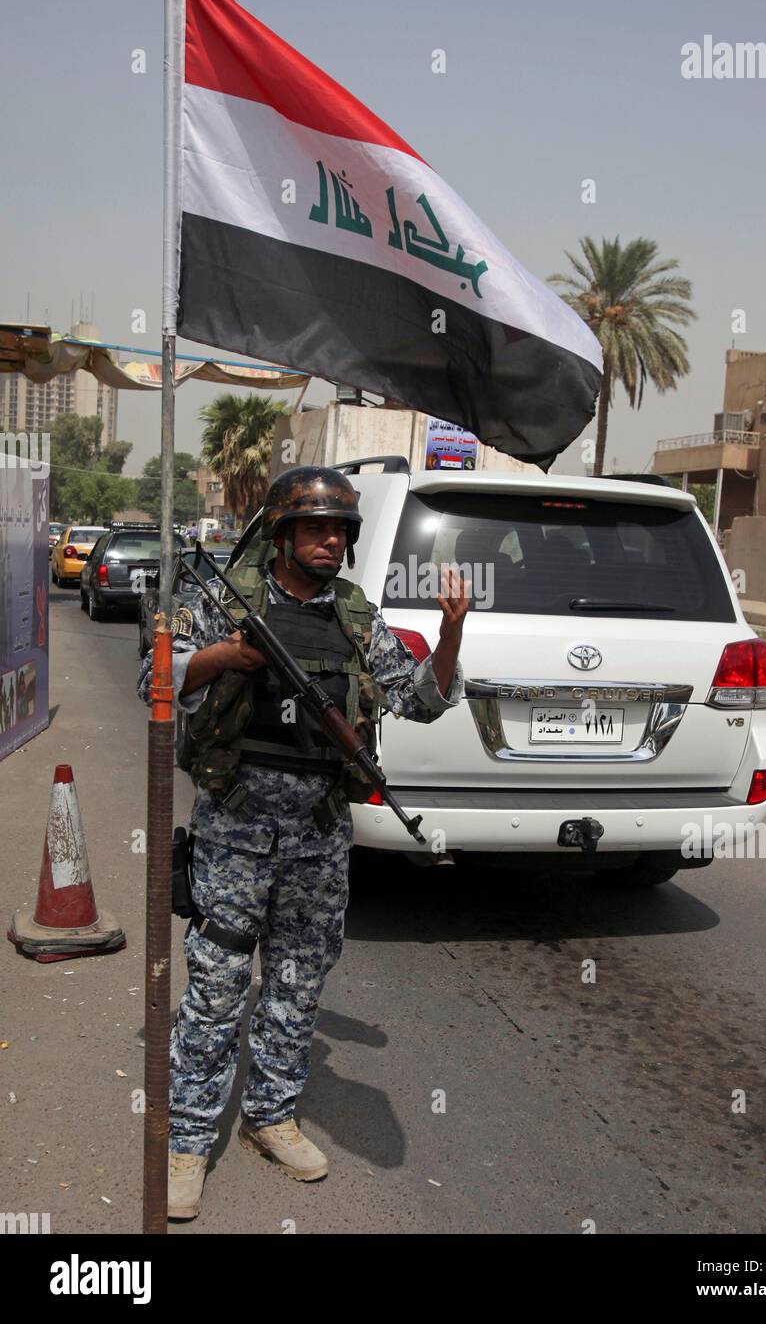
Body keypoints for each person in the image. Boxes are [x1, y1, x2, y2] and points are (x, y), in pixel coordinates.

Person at [137, 466, 468, 1220]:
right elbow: (154, 679)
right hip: (236, 821)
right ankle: (186, 1141)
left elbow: (420, 699)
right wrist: (229, 658)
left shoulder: (354, 616)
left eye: (340, 530)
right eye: (316, 527)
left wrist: (450, 634)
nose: (329, 540)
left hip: (318, 830)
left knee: (296, 981)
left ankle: (269, 1116)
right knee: (218, 983)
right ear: (282, 533)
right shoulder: (227, 599)